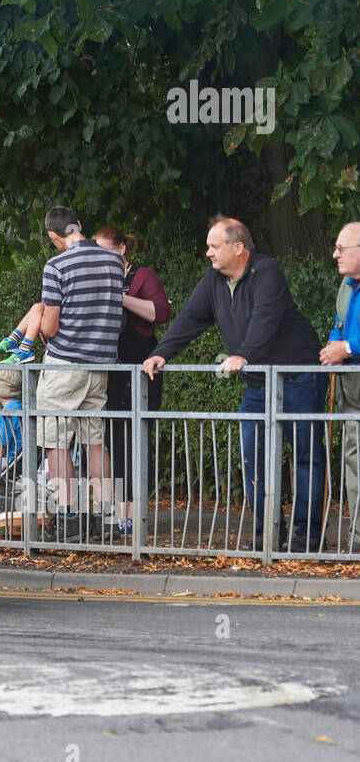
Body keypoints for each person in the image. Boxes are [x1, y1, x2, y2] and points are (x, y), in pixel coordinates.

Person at [144, 217, 326, 552]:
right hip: (258, 384)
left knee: (306, 455)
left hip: (298, 376)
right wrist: (161, 353)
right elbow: (190, 318)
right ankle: (267, 530)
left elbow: (266, 317)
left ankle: (307, 533)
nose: (208, 253)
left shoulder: (266, 272)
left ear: (238, 247)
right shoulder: (214, 279)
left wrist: (243, 353)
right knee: (254, 456)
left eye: (215, 246)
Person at [36, 206, 125, 543]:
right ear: (80, 226)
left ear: (54, 236)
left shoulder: (56, 265)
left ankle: (69, 520)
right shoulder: (113, 261)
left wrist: (42, 323)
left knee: (56, 446)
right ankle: (105, 519)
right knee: (95, 444)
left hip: (64, 366)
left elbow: (52, 324)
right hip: (100, 365)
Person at [94, 225, 172, 524]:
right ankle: (116, 511)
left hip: (142, 367)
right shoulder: (96, 279)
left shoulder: (142, 276)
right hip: (111, 369)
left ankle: (134, 511)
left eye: (104, 251)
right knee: (112, 439)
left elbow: (161, 313)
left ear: (122, 249)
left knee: (136, 439)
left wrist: (118, 297)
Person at [320, 222, 360, 549]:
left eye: (341, 249)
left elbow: (350, 341)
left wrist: (347, 349)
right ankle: (358, 538)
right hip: (352, 393)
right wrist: (333, 346)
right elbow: (339, 324)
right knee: (353, 464)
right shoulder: (347, 286)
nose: (335, 254)